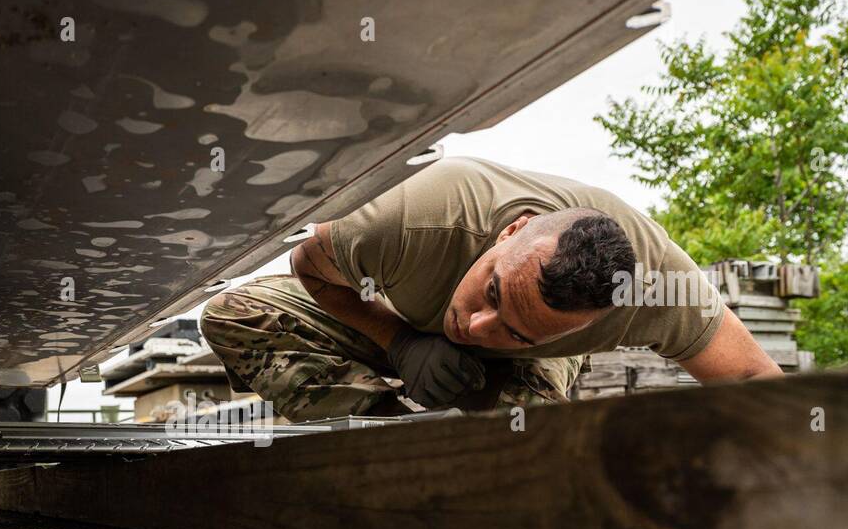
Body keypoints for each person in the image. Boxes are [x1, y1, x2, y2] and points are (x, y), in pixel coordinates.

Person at [200, 156, 781, 421]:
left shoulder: (658, 295)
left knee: (518, 440)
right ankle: (378, 431)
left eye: (516, 330)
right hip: (388, 308)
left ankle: (461, 443)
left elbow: (757, 385)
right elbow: (308, 266)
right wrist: (399, 341)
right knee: (234, 312)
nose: (476, 327)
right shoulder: (405, 221)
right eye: (493, 292)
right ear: (513, 230)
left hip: (509, 375)